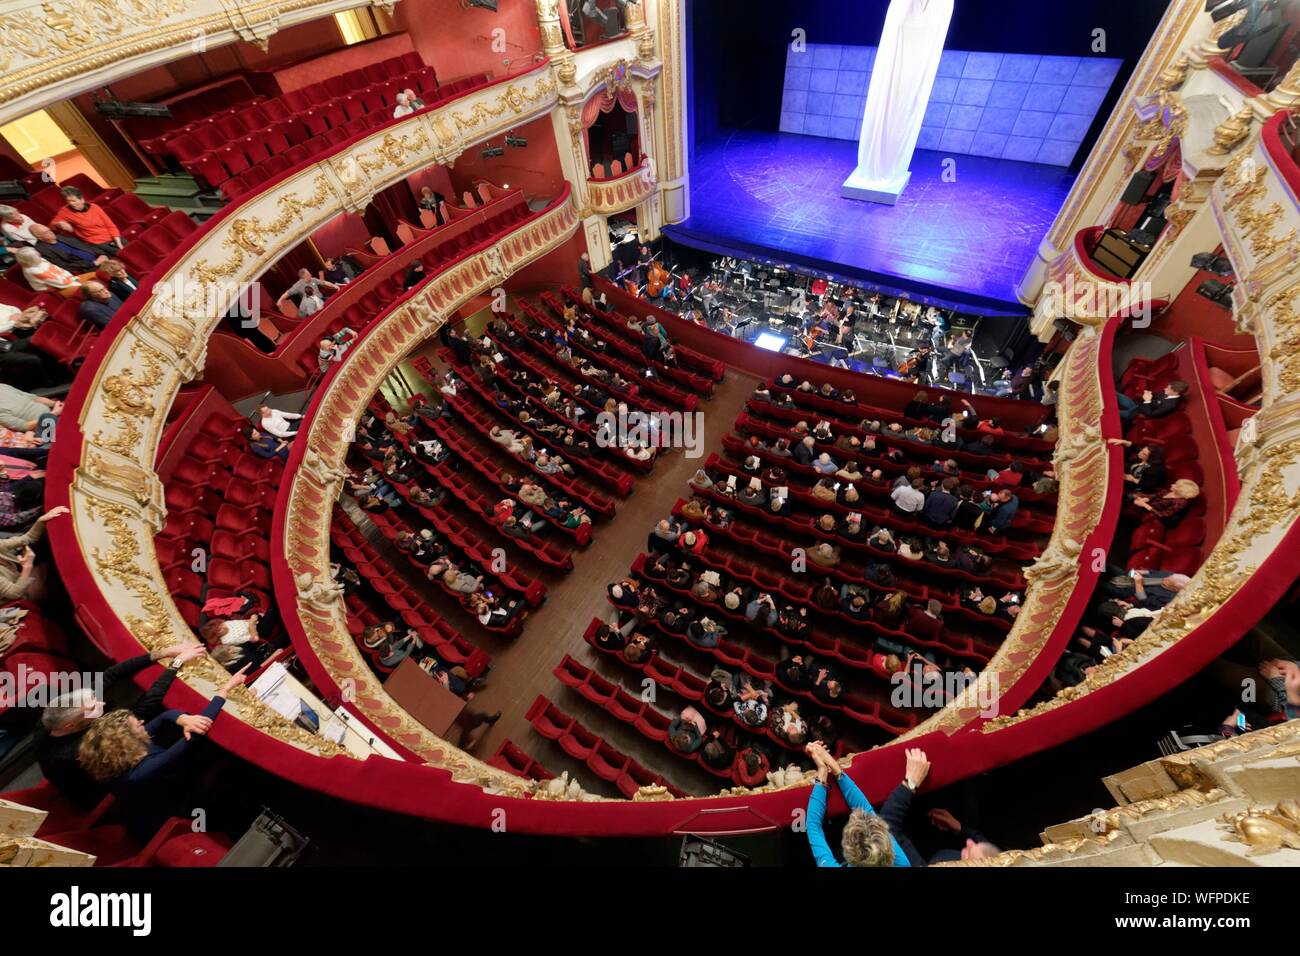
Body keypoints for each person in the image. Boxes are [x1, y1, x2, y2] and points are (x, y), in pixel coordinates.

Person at [77, 664, 249, 841]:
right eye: (138, 725)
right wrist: (224, 690)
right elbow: (196, 735)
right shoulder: (140, 772)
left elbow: (163, 717)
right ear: (125, 740)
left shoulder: (121, 753)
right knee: (224, 755)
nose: (143, 723)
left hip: (160, 793)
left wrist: (183, 718)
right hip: (175, 815)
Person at [36, 643, 208, 808]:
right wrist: (176, 663)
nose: (102, 703)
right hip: (100, 791)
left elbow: (110, 674)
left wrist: (166, 652)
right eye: (93, 707)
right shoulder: (86, 745)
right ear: (70, 726)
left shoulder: (51, 720)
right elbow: (146, 707)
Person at [804, 741, 923, 867]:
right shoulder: (902, 864)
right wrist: (833, 765)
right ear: (889, 851)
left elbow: (813, 826)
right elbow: (867, 811)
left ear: (847, 853)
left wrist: (822, 770)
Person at [50, 186, 123, 251]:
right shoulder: (65, 211)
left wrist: (118, 241)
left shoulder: (94, 207)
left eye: (73, 200)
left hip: (113, 237)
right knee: (123, 254)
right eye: (68, 201)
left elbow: (110, 225)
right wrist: (59, 224)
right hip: (96, 243)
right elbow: (51, 225)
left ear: (82, 199)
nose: (71, 203)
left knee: (128, 248)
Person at [28, 222, 104, 273]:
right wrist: (94, 263)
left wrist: (101, 254)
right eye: (45, 233)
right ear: (39, 237)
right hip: (88, 268)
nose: (50, 232)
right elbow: (65, 266)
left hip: (99, 259)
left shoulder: (60, 237)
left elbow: (84, 246)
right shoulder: (42, 250)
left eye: (49, 230)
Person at [13, 245, 78, 292]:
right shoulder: (32, 271)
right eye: (35, 255)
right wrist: (72, 280)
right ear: (30, 259)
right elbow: (56, 281)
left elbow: (56, 268)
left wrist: (69, 276)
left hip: (63, 280)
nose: (39, 254)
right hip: (52, 288)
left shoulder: (39, 259)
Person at [1117, 380, 1188, 422]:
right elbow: (1155, 395)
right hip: (1137, 404)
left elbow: (1151, 414)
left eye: (1168, 389)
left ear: (1175, 392)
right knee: (1115, 395)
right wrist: (1148, 393)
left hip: (1137, 414)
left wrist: (1148, 401)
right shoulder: (1166, 392)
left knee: (1110, 412)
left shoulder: (1171, 405)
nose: (1165, 389)